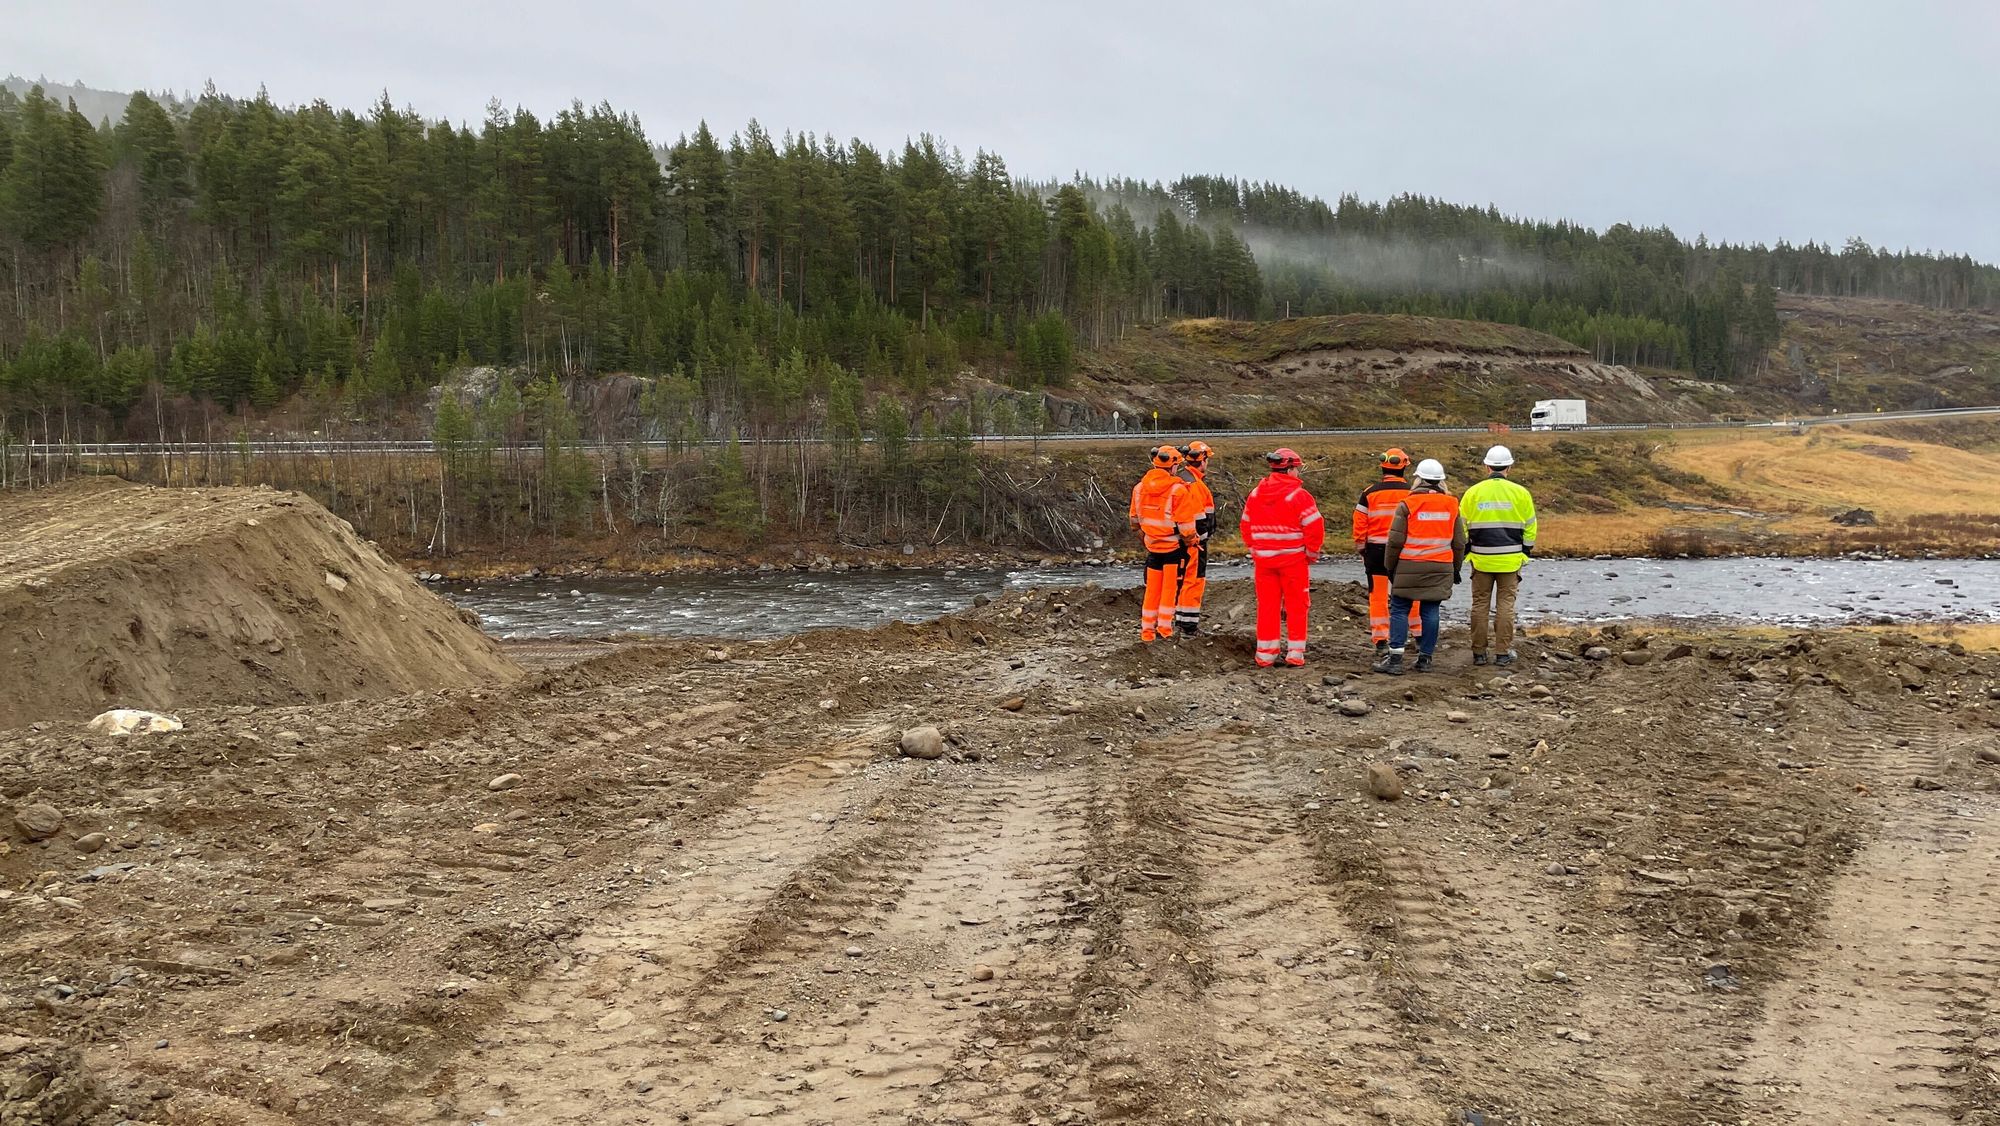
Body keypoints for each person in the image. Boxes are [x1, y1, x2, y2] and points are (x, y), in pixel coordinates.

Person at [1373, 458, 1466, 676]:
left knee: (1399, 608)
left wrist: (1390, 567)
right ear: (1440, 481)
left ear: (1418, 479)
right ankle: (1425, 658)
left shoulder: (1408, 504)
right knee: (1431, 610)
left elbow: (1395, 541)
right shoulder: (1452, 504)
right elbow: (1459, 542)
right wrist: (1455, 568)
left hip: (1409, 566)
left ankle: (1395, 659)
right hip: (1441, 566)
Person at [1239, 447, 1325, 667]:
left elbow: (1246, 525)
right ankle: (1295, 653)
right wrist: (1311, 554)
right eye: (1297, 468)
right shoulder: (1299, 496)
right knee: (1297, 606)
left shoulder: (1256, 494)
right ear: (1290, 469)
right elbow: (1314, 527)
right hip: (1293, 561)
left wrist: (1254, 548)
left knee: (1267, 606)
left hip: (1264, 562)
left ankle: (1265, 654)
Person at [1460, 444, 1538, 666]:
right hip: (1511, 559)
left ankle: (1479, 653)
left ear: (1486, 466)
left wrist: (1468, 550)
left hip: (1481, 558)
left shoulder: (1472, 493)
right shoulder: (1520, 493)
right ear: (1509, 467)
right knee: (1505, 605)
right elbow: (1531, 527)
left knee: (1480, 604)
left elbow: (1461, 527)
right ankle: (1502, 653)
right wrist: (1525, 551)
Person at [1351, 447, 1424, 654]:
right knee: (1412, 594)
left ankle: (1381, 639)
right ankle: (1418, 635)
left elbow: (1359, 522)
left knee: (1378, 595)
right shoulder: (1412, 493)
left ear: (1383, 467)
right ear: (1405, 468)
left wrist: (1361, 545)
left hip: (1375, 551)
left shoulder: (1369, 493)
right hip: (1405, 551)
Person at [1128, 445, 1200, 642]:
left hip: (1152, 547)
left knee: (1151, 590)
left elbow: (1134, 522)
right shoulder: (1178, 490)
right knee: (1169, 591)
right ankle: (1164, 629)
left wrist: (1147, 539)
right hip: (1172, 548)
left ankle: (1147, 631)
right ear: (1174, 466)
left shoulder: (1139, 488)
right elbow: (1186, 528)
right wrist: (1193, 541)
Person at [1172, 440, 1217, 636]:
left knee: (1181, 581)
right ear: (1203, 460)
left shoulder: (1181, 478)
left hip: (1180, 541)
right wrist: (1201, 539)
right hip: (1194, 542)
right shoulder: (1195, 485)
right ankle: (1188, 626)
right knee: (1193, 581)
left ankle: (1180, 622)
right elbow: (1200, 519)